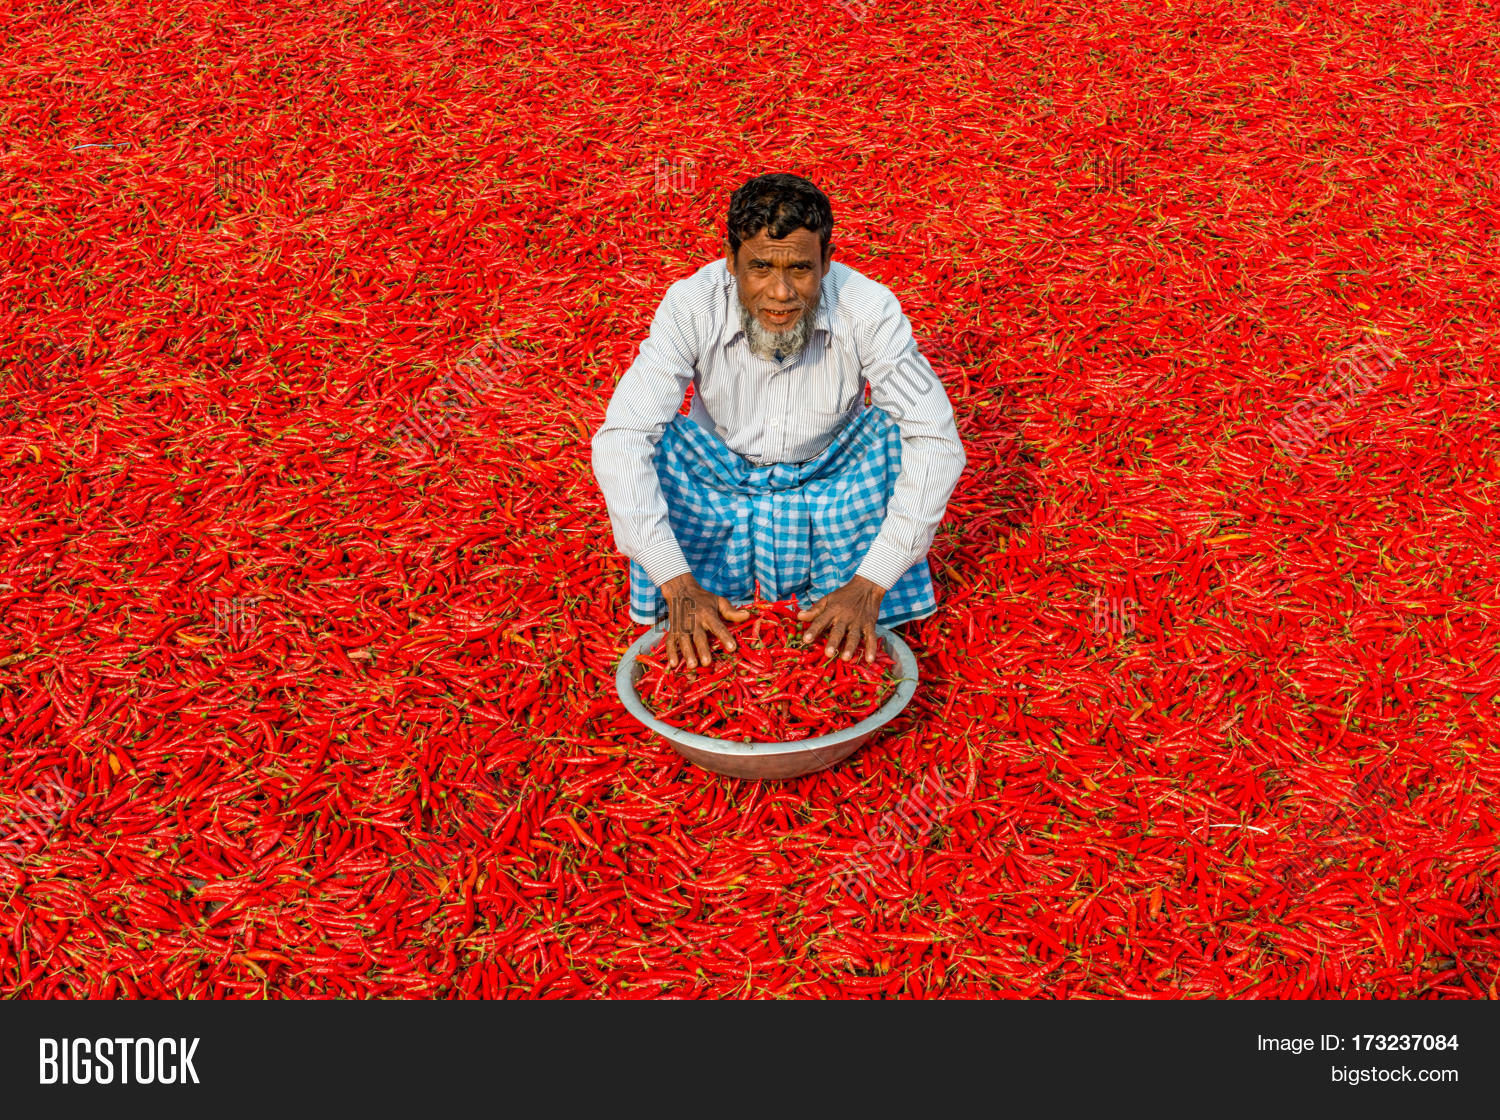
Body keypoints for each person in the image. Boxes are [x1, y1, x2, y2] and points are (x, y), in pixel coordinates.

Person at [590, 173, 966, 670]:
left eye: (801, 269)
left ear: (827, 261)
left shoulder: (869, 309)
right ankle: (693, 591)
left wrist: (873, 580)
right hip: (720, 481)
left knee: (904, 431)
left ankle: (856, 590)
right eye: (760, 267)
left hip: (833, 480)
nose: (781, 292)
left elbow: (936, 438)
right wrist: (674, 582)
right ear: (731, 261)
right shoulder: (691, 305)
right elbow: (622, 438)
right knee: (644, 437)